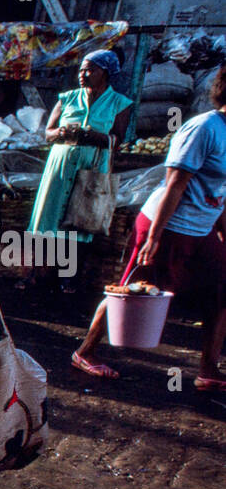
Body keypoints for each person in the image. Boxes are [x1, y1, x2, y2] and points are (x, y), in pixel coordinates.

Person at [72, 66, 226, 389]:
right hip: (168, 225)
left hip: (202, 230)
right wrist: (154, 237)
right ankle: (85, 351)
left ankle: (208, 370)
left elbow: (221, 191)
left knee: (221, 293)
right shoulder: (205, 128)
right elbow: (175, 185)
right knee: (133, 289)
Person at [25, 49, 133, 290]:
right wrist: (62, 133)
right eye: (82, 69)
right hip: (61, 165)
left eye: (90, 69)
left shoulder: (120, 103)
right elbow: (48, 133)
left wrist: (94, 136)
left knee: (80, 221)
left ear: (105, 73)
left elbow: (117, 139)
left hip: (91, 166)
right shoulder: (68, 98)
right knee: (50, 218)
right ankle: (39, 274)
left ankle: (69, 278)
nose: (83, 74)